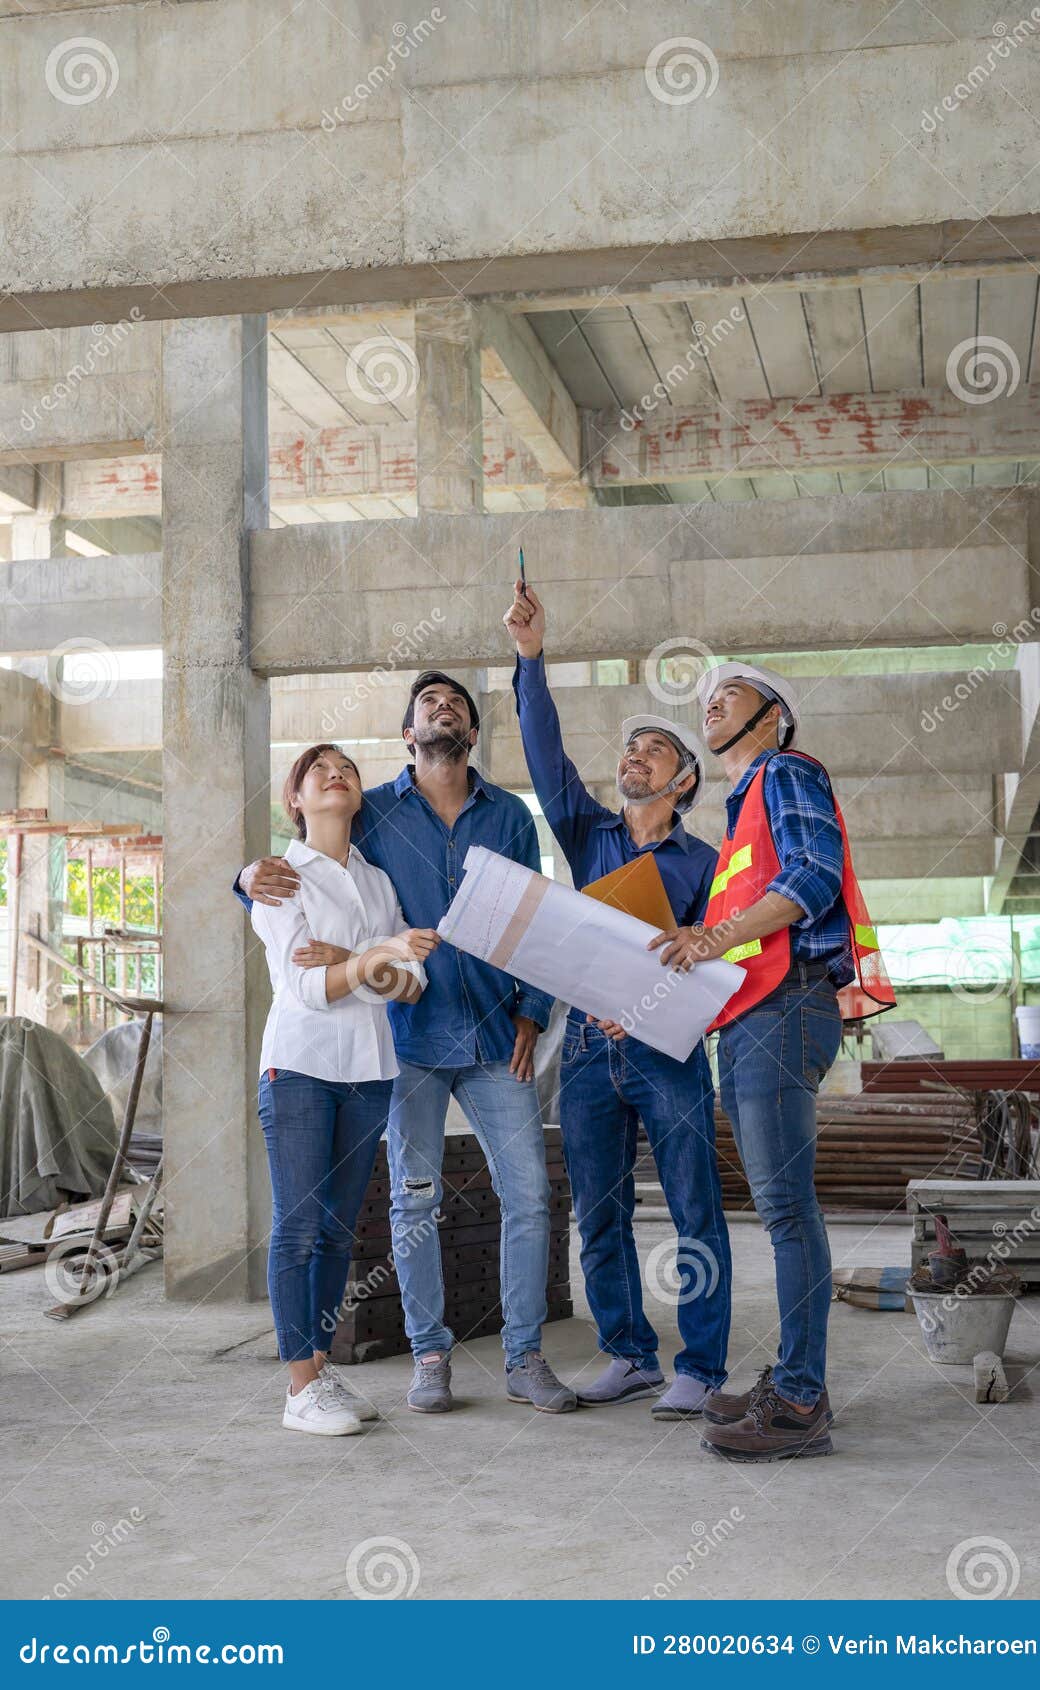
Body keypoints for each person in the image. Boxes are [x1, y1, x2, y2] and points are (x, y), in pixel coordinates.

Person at [237, 673, 576, 1415]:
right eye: (428, 703)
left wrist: (532, 1012)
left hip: (495, 1035)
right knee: (412, 1202)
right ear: (407, 735)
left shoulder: (509, 816)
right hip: (406, 1044)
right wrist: (245, 877)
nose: (442, 708)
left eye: (455, 703)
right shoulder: (374, 812)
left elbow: (535, 919)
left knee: (528, 1194)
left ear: (472, 734)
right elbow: (304, 857)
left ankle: (524, 1356)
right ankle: (429, 1356)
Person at [647, 663, 894, 1461]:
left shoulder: (783, 772)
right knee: (783, 1209)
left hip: (784, 1011)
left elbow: (813, 877)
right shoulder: (742, 814)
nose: (712, 699)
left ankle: (798, 1402)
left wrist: (712, 937)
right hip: (762, 1014)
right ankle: (795, 1380)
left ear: (773, 717)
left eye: (733, 692)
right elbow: (735, 951)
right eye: (706, 696)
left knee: (788, 1211)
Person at [504, 581, 732, 1417]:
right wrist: (531, 658)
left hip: (668, 1052)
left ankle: (701, 1367)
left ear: (683, 782)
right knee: (597, 1213)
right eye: (630, 747)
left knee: (694, 1208)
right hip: (589, 1051)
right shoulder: (586, 831)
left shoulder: (706, 865)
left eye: (654, 749)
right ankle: (630, 1354)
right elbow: (544, 754)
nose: (635, 754)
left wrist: (658, 992)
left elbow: (717, 966)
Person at [252, 743, 439, 1437]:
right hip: (300, 1068)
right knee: (298, 1227)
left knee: (336, 1231)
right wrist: (378, 957)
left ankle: (320, 1368)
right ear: (295, 799)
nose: (337, 774)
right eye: (318, 770)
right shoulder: (279, 878)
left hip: (369, 1071)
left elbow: (411, 986)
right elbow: (309, 989)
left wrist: (356, 963)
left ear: (359, 796)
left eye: (348, 770)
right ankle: (298, 1387)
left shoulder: (378, 881)